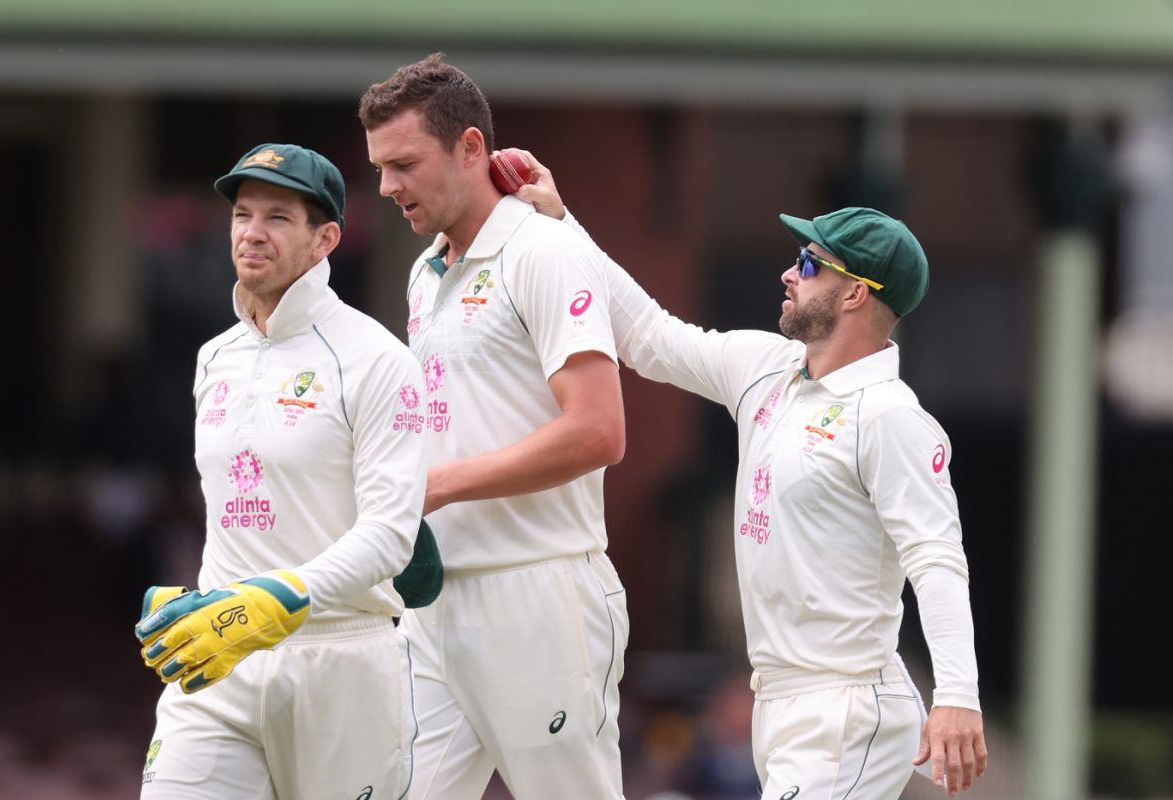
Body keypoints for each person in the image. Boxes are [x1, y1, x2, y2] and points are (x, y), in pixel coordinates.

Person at [510, 151, 989, 798]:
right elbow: (649, 334)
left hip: (847, 708)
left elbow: (936, 559)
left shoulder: (889, 417)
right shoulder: (765, 367)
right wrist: (562, 221)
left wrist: (957, 695)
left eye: (812, 263)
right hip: (779, 700)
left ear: (855, 293)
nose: (790, 272)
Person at [358, 55, 630, 799]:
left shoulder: (545, 251)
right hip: (436, 601)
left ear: (471, 149)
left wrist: (437, 486)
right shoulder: (425, 272)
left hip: (540, 595)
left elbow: (600, 432)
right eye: (381, 167)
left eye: (405, 163)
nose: (386, 187)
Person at [133, 143, 428, 800]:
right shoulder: (214, 358)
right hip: (220, 654)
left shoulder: (378, 361)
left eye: (277, 217)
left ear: (325, 239)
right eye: (242, 215)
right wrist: (208, 593)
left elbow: (390, 535)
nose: (252, 233)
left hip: (342, 663)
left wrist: (278, 597)